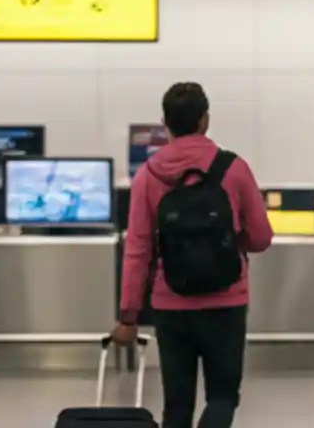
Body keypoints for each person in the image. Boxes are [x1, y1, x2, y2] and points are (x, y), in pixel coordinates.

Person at [111, 82, 273, 428]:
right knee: (223, 396)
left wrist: (128, 316)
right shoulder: (234, 169)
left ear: (165, 123)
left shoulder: (148, 176)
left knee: (177, 404)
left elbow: (137, 249)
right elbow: (261, 237)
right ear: (205, 120)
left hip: (171, 305)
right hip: (226, 302)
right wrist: (231, 241)